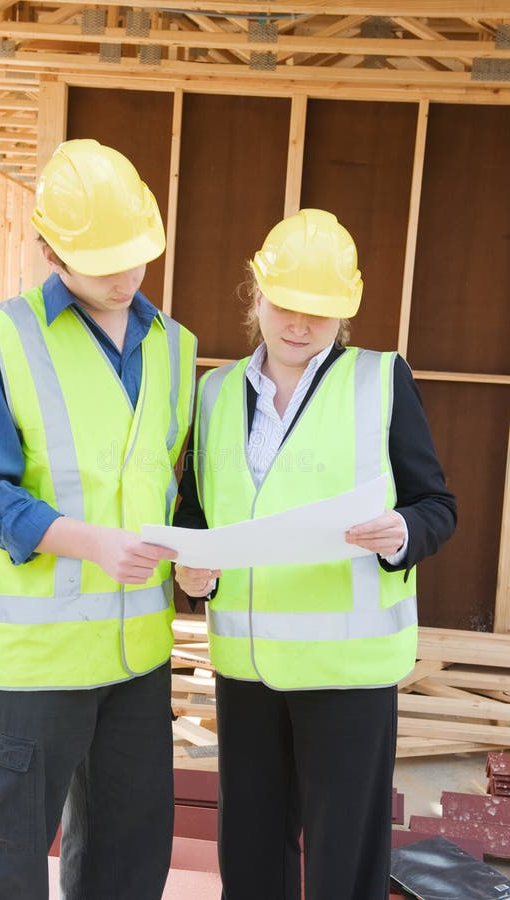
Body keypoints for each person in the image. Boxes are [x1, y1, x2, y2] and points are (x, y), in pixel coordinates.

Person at [174, 208, 456, 900]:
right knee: (250, 842)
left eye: (319, 315)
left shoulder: (380, 381)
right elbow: (195, 515)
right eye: (285, 306)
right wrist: (191, 574)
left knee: (343, 852)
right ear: (257, 296)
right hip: (247, 669)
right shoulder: (213, 394)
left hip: (346, 671)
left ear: (344, 316)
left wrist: (401, 534)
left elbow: (434, 507)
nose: (298, 326)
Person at [0, 139, 197, 900]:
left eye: (137, 257)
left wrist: (193, 554)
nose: (126, 276)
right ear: (53, 251)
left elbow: (165, 486)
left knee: (129, 856)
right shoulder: (3, 340)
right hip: (38, 659)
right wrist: (92, 543)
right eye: (103, 260)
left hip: (136, 659)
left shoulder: (173, 346)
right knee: (15, 856)